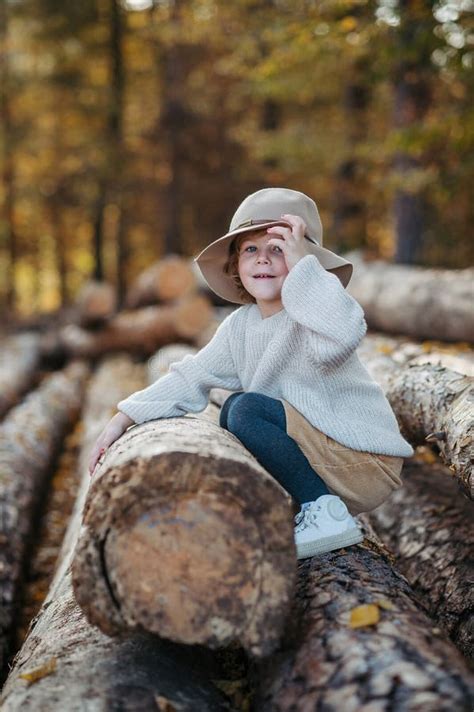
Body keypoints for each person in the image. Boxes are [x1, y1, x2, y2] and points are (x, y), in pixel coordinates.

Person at [88, 187, 414, 559]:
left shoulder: (315, 313)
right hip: (324, 453)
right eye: (250, 250)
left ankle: (324, 512)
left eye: (278, 248)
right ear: (236, 266)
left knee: (246, 410)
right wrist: (122, 418)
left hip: (363, 459)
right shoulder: (240, 326)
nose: (263, 259)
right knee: (233, 410)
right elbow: (192, 375)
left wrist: (304, 267)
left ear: (304, 261)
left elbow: (344, 332)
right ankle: (302, 507)